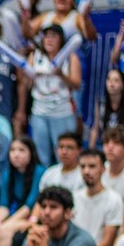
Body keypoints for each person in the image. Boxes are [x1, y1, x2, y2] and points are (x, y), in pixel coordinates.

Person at [19, 24, 79, 164]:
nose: (49, 40)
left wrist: (61, 75)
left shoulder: (70, 57)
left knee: (64, 156)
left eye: (53, 36)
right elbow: (26, 85)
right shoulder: (35, 55)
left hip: (62, 112)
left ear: (61, 40)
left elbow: (76, 84)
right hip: (40, 111)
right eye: (46, 36)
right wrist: (28, 75)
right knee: (41, 156)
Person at [71, 149, 123, 246]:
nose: (86, 171)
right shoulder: (74, 197)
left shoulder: (114, 199)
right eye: (83, 166)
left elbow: (108, 241)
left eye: (92, 166)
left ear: (103, 169)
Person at [90, 69, 124, 149]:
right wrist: (91, 149)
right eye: (109, 79)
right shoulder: (101, 101)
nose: (111, 84)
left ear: (123, 84)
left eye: (116, 80)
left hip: (122, 143)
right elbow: (95, 128)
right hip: (104, 143)